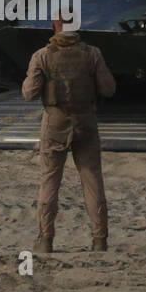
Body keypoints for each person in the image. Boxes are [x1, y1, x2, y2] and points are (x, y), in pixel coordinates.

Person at [22, 17, 116, 254]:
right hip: (85, 122)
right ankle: (99, 240)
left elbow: (29, 93)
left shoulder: (42, 56)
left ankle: (45, 240)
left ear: (55, 26)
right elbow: (109, 88)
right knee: (92, 180)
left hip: (55, 123)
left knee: (50, 181)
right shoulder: (92, 54)